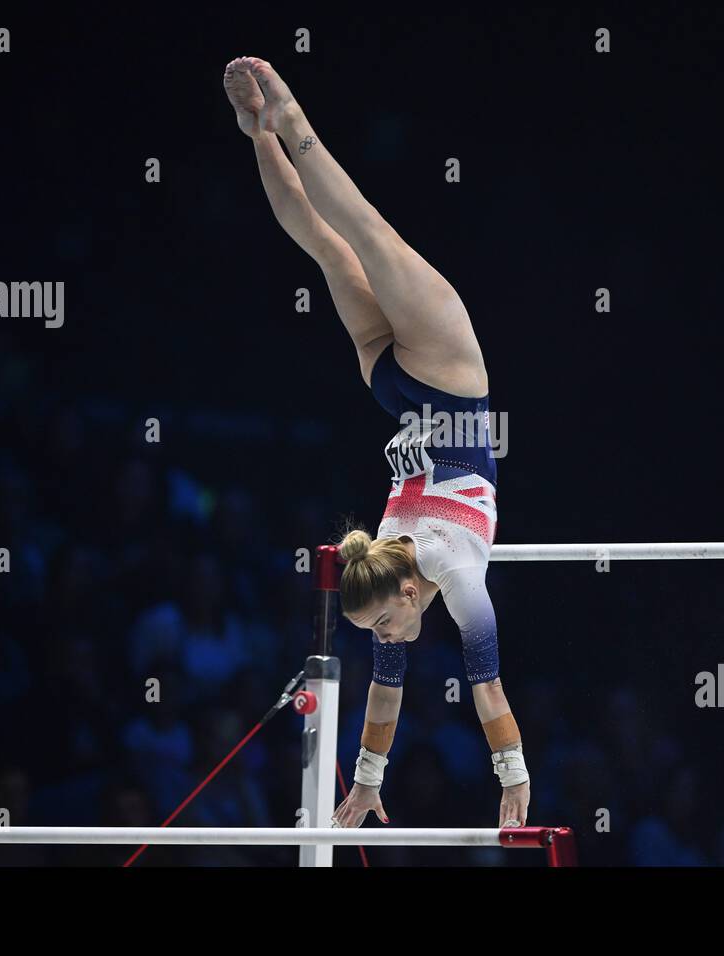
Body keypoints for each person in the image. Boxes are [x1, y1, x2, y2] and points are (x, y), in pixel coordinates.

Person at [223, 56, 529, 829]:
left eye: (382, 629)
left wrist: (513, 775)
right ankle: (258, 137)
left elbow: (487, 687)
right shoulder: (386, 564)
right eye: (381, 632)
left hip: (446, 375)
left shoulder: (450, 574)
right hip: (393, 386)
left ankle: (286, 119)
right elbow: (385, 694)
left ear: (399, 595)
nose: (387, 640)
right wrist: (366, 781)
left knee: (360, 234)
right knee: (330, 248)